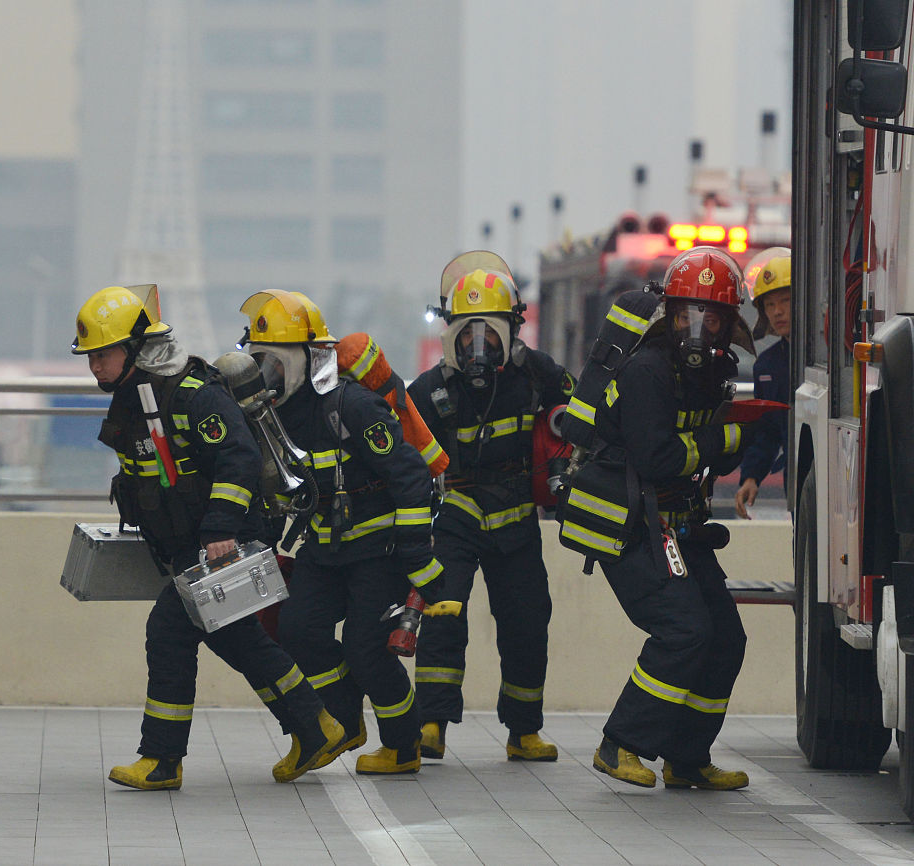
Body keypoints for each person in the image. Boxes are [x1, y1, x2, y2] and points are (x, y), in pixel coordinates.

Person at [72, 284, 344, 791]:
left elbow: (238, 458)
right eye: (90, 357)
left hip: (226, 541)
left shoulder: (192, 393)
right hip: (189, 547)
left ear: (133, 349)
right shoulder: (134, 399)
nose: (94, 366)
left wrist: (221, 530)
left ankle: (161, 759)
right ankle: (316, 726)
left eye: (103, 354)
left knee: (169, 633)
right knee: (240, 640)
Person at [239, 289, 445, 775]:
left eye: (273, 363)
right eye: (259, 363)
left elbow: (412, 477)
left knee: (365, 650)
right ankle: (347, 719)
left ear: (307, 358)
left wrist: (416, 557)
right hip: (324, 548)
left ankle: (402, 744)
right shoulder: (274, 417)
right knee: (297, 630)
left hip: (380, 551)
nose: (267, 375)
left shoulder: (351, 406)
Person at [589, 246, 754, 790]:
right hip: (635, 524)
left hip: (680, 523)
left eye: (712, 316)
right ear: (670, 315)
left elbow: (719, 454)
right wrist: (721, 439)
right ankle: (620, 745)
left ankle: (687, 757)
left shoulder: (719, 371)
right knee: (684, 630)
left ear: (729, 323)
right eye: (687, 314)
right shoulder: (645, 371)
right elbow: (657, 457)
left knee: (726, 637)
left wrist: (735, 439)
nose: (698, 328)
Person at [408, 251, 575, 762]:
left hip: (516, 517)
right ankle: (431, 723)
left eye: (489, 332)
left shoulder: (535, 374)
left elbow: (580, 409)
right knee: (441, 614)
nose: (477, 344)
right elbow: (402, 458)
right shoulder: (430, 391)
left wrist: (566, 437)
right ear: (451, 333)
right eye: (466, 332)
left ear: (510, 330)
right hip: (456, 515)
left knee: (526, 621)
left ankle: (523, 731)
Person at [734, 250, 791, 520]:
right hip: (798, 477)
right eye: (769, 305)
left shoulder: (833, 358)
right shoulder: (766, 366)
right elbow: (766, 431)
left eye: (786, 301)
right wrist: (751, 476)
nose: (777, 311)